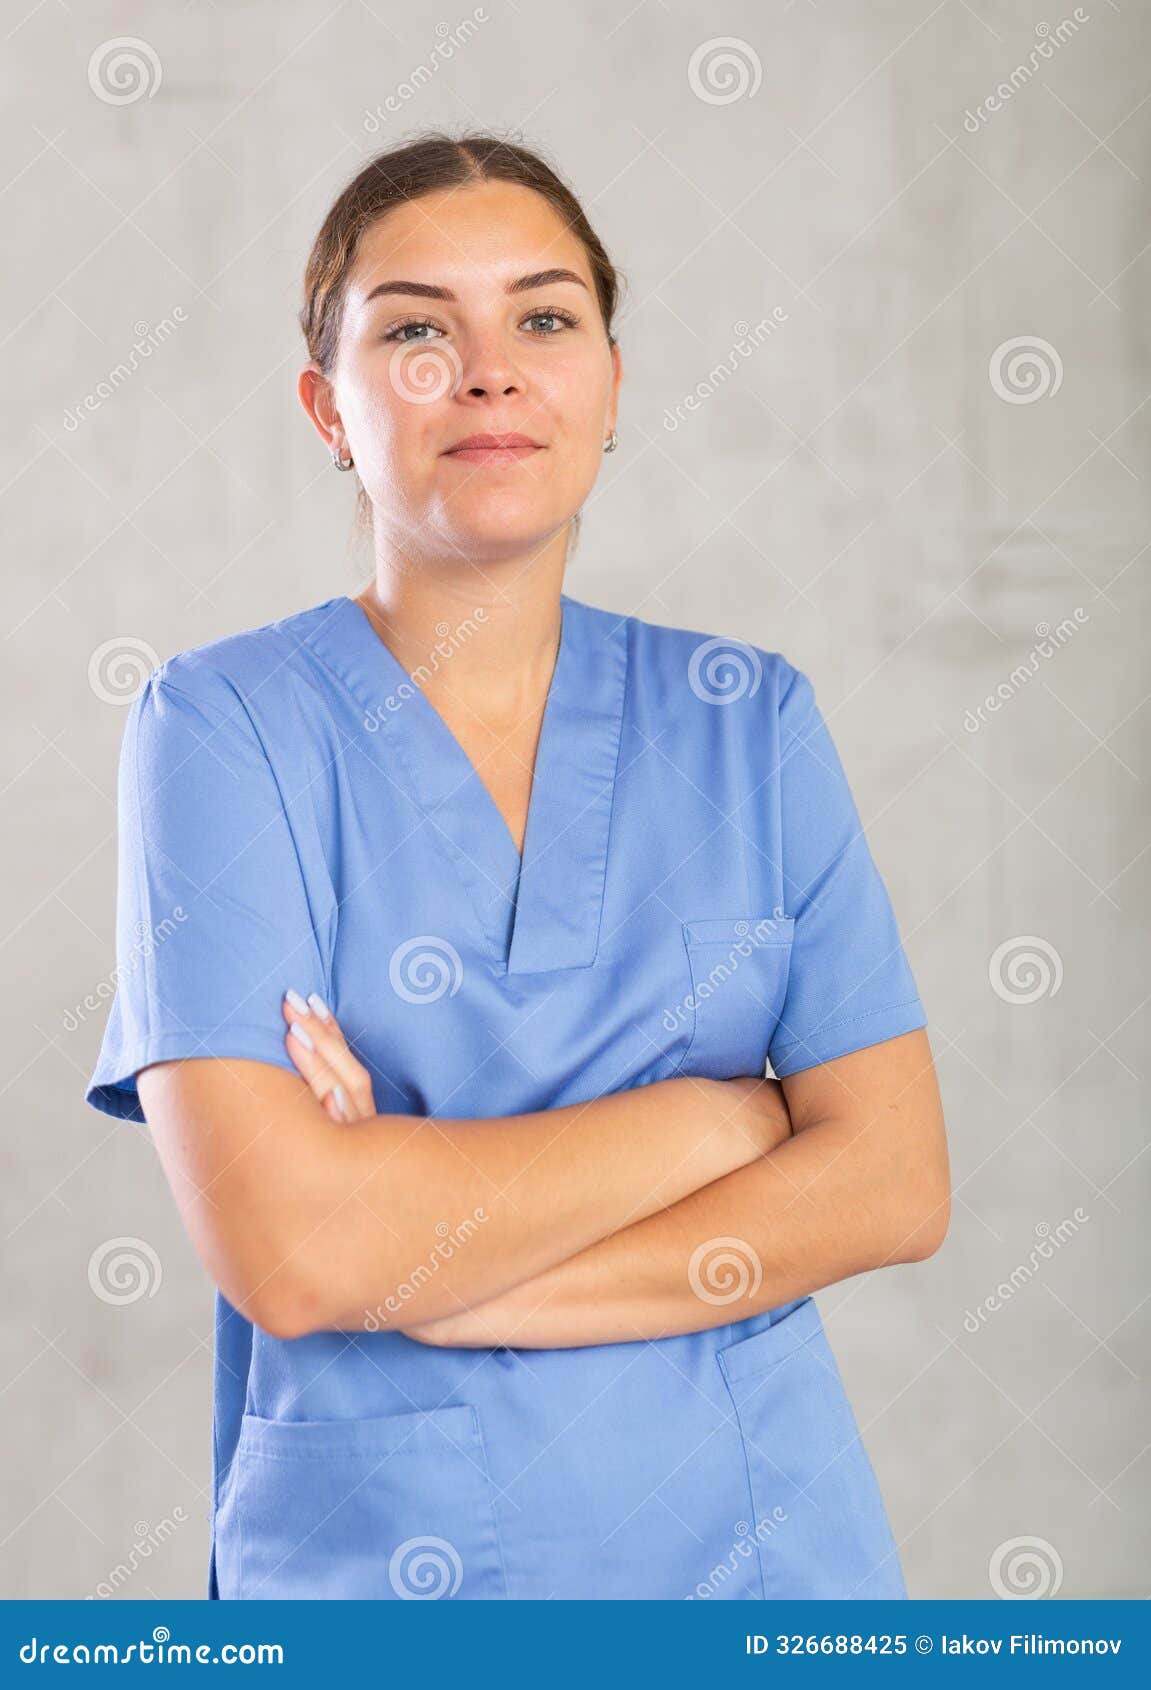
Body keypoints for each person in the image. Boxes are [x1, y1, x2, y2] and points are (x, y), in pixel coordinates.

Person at [85, 130, 949, 1602]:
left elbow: (892, 1183)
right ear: (330, 410)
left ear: (609, 386)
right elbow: (297, 1252)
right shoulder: (221, 729)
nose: (488, 370)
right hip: (376, 1582)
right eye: (416, 329)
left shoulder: (747, 721)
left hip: (766, 1574)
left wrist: (442, 1275)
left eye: (544, 318)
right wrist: (718, 1123)